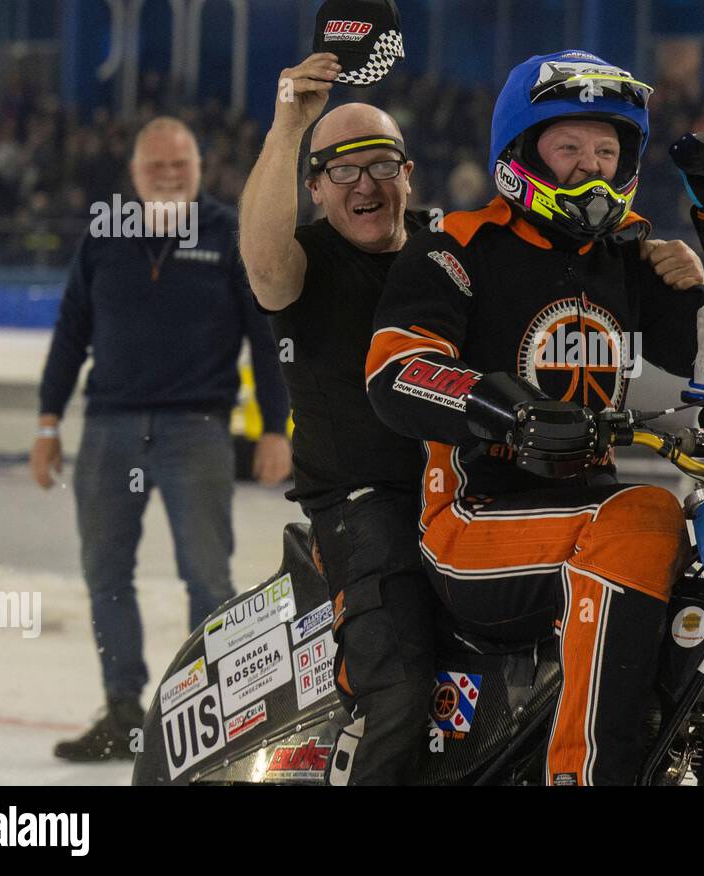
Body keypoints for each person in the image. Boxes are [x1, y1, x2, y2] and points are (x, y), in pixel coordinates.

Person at [366, 50, 704, 785]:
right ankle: (586, 772)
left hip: (584, 516)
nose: (588, 167)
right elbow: (395, 373)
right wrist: (505, 411)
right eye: (568, 147)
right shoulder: (458, 247)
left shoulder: (630, 257)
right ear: (521, 151)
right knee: (644, 518)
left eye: (607, 150)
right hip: (471, 522)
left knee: (696, 561)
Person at [32, 116, 292, 762]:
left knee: (207, 577)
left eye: (181, 167)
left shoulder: (228, 233)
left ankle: (216, 719)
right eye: (157, 168)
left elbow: (266, 341)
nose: (170, 177)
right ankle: (123, 711)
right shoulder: (104, 235)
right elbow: (70, 334)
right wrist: (45, 423)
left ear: (199, 169)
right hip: (109, 429)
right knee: (105, 572)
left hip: (196, 430)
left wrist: (274, 428)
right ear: (136, 173)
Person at [237, 52, 438, 785]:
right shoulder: (305, 263)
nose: (366, 184)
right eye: (342, 171)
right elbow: (261, 260)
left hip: (467, 495)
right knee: (400, 686)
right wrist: (290, 122)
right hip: (362, 506)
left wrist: (648, 250)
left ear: (408, 175)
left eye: (382, 163)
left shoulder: (450, 251)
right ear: (316, 189)